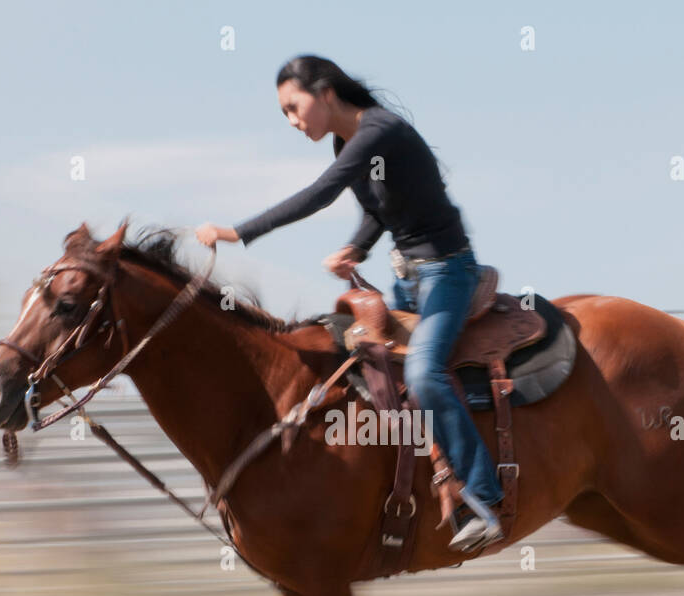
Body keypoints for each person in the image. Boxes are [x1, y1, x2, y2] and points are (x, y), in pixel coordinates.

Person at [195, 54, 504, 551]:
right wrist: (357, 248)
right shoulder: (351, 140)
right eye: (285, 115)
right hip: (408, 280)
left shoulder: (378, 132)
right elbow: (380, 210)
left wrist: (236, 232)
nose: (294, 122)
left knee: (424, 374)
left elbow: (320, 194)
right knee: (375, 375)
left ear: (326, 94)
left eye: (295, 108)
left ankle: (484, 497)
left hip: (448, 272)